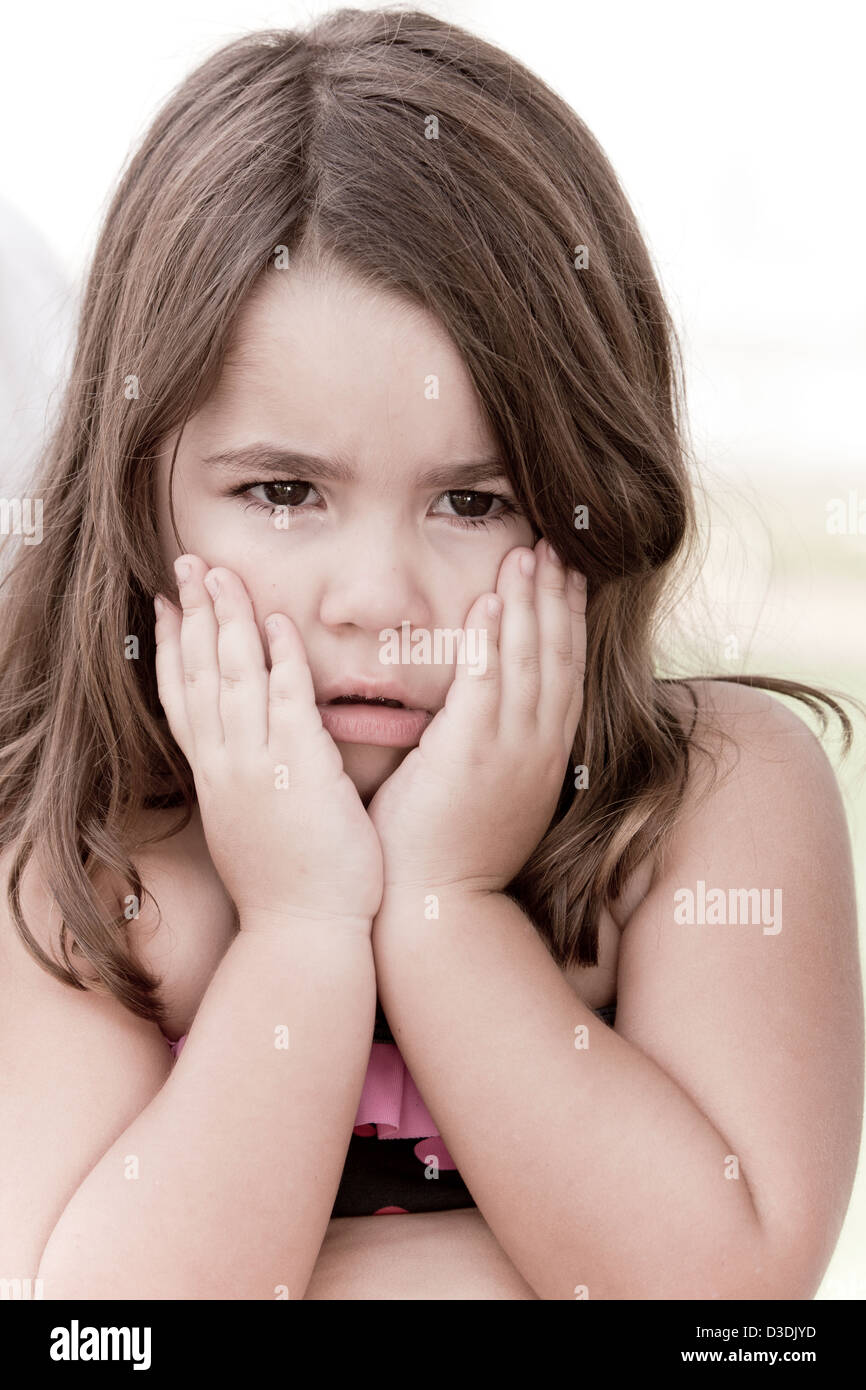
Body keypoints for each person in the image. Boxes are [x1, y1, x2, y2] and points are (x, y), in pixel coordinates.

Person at [0, 8, 862, 1301]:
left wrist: (443, 907)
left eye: (473, 502)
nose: (375, 599)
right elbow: (101, 1335)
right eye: (285, 492)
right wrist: (298, 925)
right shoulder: (77, 843)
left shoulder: (708, 802)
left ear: (589, 496)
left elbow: (722, 1312)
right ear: (140, 494)